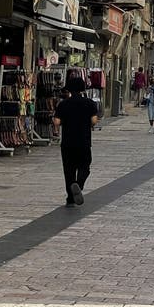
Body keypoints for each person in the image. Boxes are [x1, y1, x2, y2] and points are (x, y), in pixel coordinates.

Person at [53, 77, 99, 208]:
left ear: (69, 89)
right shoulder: (90, 103)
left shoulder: (63, 104)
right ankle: (78, 184)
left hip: (67, 142)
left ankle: (70, 199)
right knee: (85, 166)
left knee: (69, 170)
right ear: (83, 88)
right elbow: (94, 120)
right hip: (84, 141)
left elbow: (57, 122)